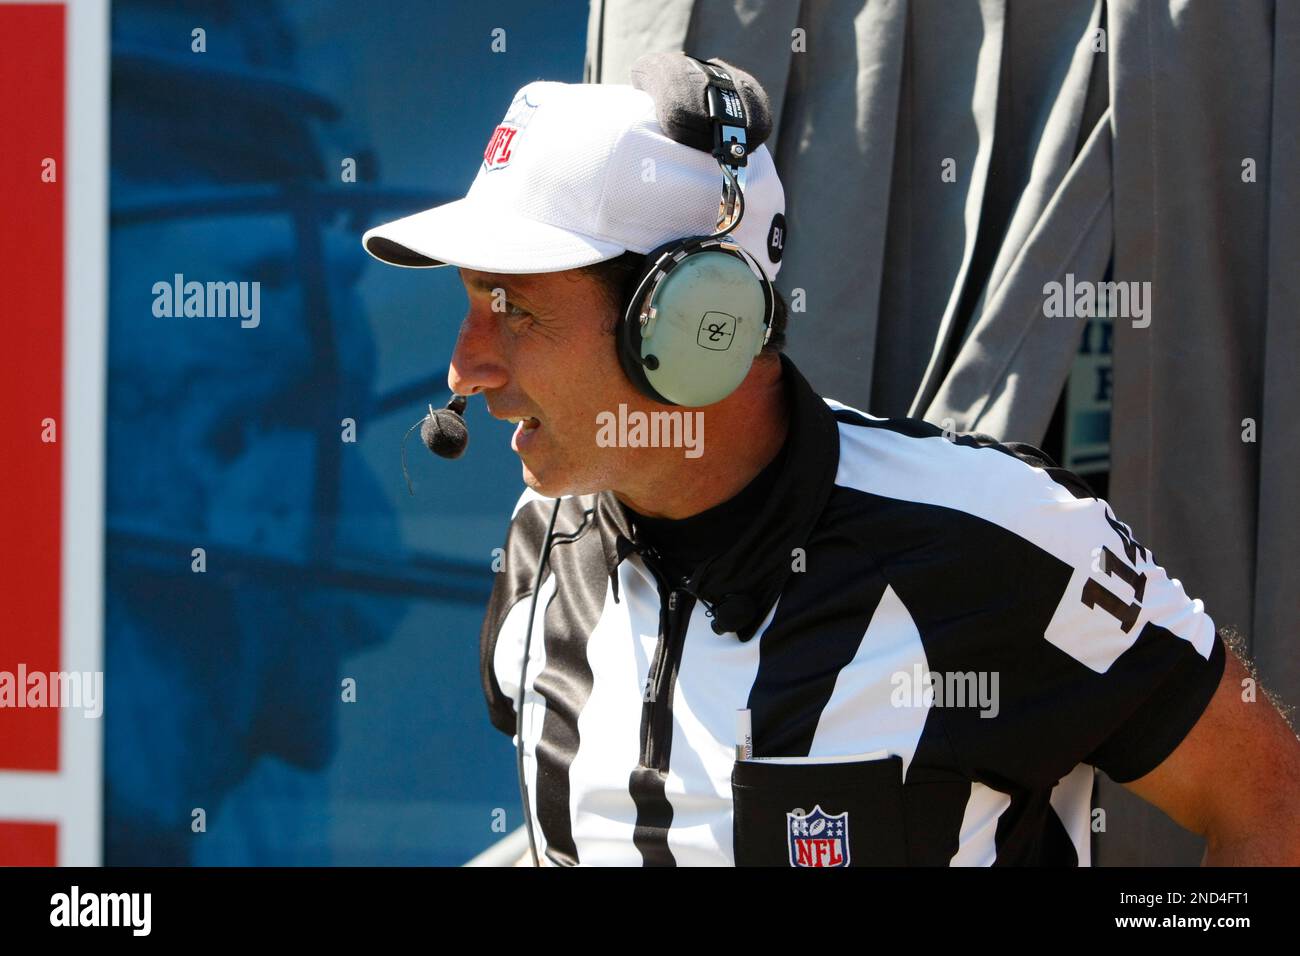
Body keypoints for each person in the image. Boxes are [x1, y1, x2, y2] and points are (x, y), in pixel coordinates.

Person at [361, 61, 1300, 866]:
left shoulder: (996, 537)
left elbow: (1268, 801)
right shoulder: (541, 540)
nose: (463, 367)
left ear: (696, 322)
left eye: (512, 308)